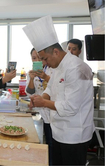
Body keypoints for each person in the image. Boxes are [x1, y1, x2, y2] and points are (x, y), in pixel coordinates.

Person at [23, 15, 95, 165]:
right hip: (58, 130)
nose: (43, 63)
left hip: (74, 134)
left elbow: (70, 107)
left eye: (45, 58)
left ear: (55, 52)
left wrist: (42, 102)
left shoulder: (76, 68)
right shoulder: (57, 66)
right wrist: (40, 98)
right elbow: (50, 87)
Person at [26, 48, 53, 165]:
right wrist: (32, 79)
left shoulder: (52, 70)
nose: (37, 60)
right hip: (39, 112)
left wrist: (45, 77)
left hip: (52, 111)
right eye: (34, 58)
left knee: (51, 143)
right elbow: (30, 91)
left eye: (39, 57)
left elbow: (57, 87)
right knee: (40, 142)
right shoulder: (31, 73)